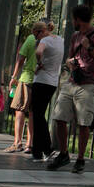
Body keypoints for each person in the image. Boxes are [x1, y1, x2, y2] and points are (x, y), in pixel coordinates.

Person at [46, 4, 94, 173]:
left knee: (83, 123)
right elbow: (69, 57)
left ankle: (80, 159)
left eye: (74, 19)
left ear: (78, 19)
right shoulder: (75, 36)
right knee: (59, 117)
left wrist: (89, 47)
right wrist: (69, 62)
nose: (73, 21)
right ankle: (64, 153)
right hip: (72, 80)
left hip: (88, 84)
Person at [3, 19, 47, 154]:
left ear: (35, 31)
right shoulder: (49, 42)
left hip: (27, 79)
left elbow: (20, 59)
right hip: (41, 81)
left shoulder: (30, 39)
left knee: (19, 110)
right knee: (33, 113)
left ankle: (17, 142)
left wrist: (14, 77)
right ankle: (30, 143)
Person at [30, 19, 63, 162]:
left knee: (37, 115)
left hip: (42, 81)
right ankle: (38, 151)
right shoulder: (60, 40)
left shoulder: (46, 40)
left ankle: (47, 149)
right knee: (39, 115)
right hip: (52, 82)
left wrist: (39, 63)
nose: (36, 39)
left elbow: (39, 52)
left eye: (36, 36)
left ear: (41, 32)